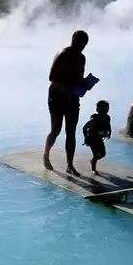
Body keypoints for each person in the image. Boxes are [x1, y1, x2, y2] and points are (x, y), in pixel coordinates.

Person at [43, 30, 93, 176]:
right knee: (56, 129)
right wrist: (68, 85)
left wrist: (85, 84)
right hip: (57, 95)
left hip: (73, 97)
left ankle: (70, 165)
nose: (82, 47)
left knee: (71, 131)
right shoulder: (63, 54)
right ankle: (46, 154)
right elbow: (52, 77)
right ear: (74, 41)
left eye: (85, 45)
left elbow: (78, 78)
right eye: (80, 44)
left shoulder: (82, 58)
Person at [82, 100, 112, 175]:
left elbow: (108, 125)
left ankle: (92, 161)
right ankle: (93, 169)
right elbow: (84, 128)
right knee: (95, 154)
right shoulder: (94, 119)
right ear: (98, 110)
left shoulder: (107, 117)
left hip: (99, 139)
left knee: (103, 154)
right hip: (92, 139)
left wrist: (109, 132)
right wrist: (86, 138)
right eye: (104, 109)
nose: (106, 110)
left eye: (107, 108)